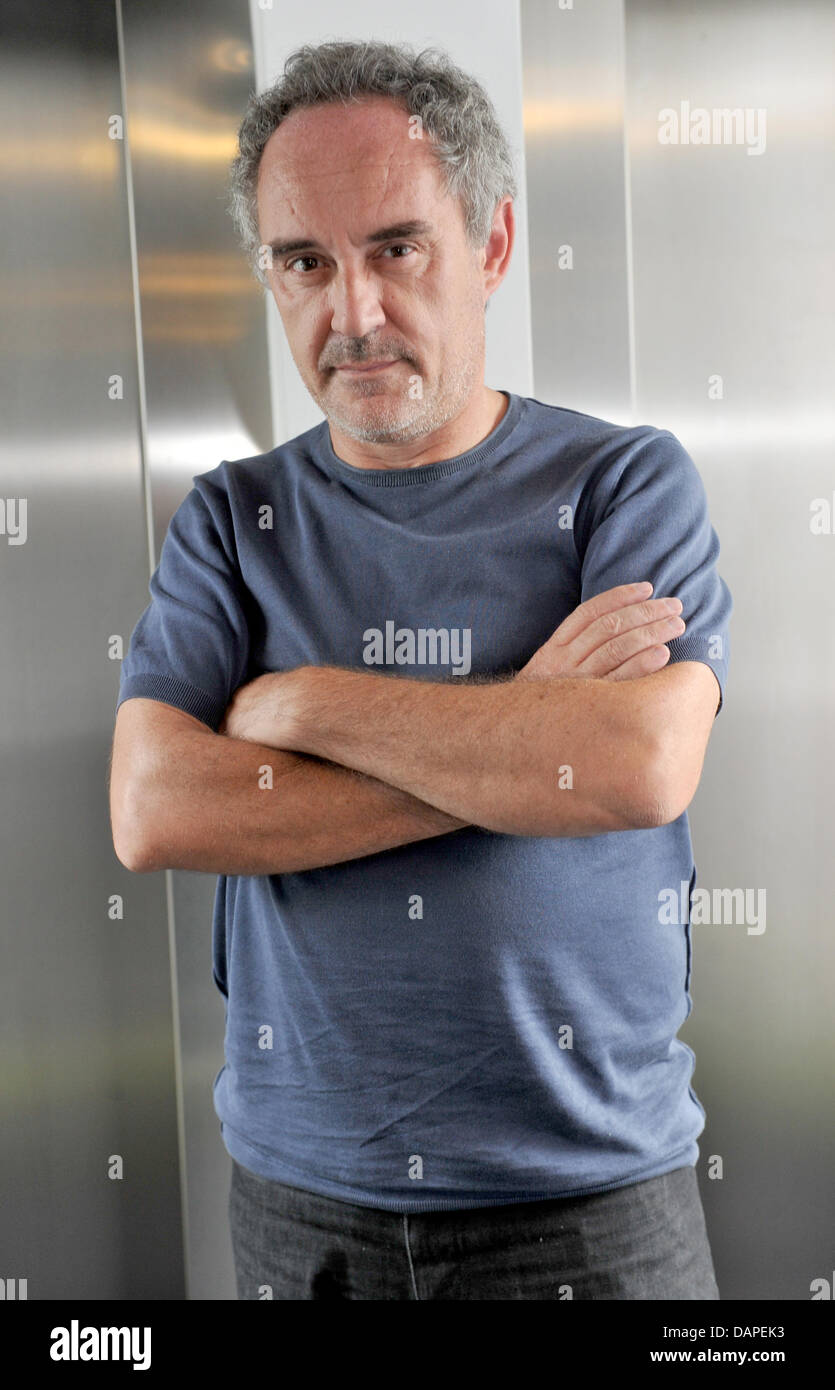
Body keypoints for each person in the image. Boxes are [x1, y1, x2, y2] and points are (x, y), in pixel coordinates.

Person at [109, 39, 732, 1300]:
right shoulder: (234, 519)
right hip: (305, 1207)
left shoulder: (622, 486)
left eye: (397, 248)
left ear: (493, 246)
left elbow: (636, 763)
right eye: (303, 262)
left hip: (589, 1202)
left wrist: (306, 709)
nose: (352, 314)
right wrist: (521, 734)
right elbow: (156, 807)